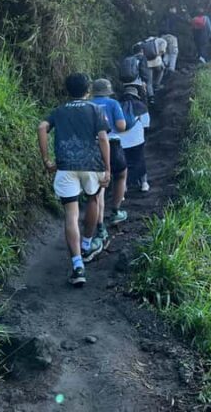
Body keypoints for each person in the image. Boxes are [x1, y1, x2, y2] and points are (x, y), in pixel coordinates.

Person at [37, 73, 111, 287]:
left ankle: (77, 265)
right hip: (92, 166)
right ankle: (87, 244)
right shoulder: (96, 109)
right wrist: (107, 168)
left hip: (66, 166)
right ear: (88, 90)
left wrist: (46, 160)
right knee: (94, 201)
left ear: (68, 90)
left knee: (71, 213)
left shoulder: (59, 111)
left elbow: (42, 127)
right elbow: (103, 138)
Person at [90, 78, 129, 250]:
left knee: (99, 188)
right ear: (108, 91)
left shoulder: (88, 104)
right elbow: (121, 126)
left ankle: (99, 226)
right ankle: (115, 211)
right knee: (120, 175)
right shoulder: (113, 103)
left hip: (92, 147)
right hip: (112, 145)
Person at [119, 84, 151, 192]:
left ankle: (124, 186)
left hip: (121, 141)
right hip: (137, 139)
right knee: (140, 160)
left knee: (124, 163)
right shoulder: (141, 106)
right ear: (135, 95)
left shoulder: (117, 106)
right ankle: (144, 183)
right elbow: (146, 125)